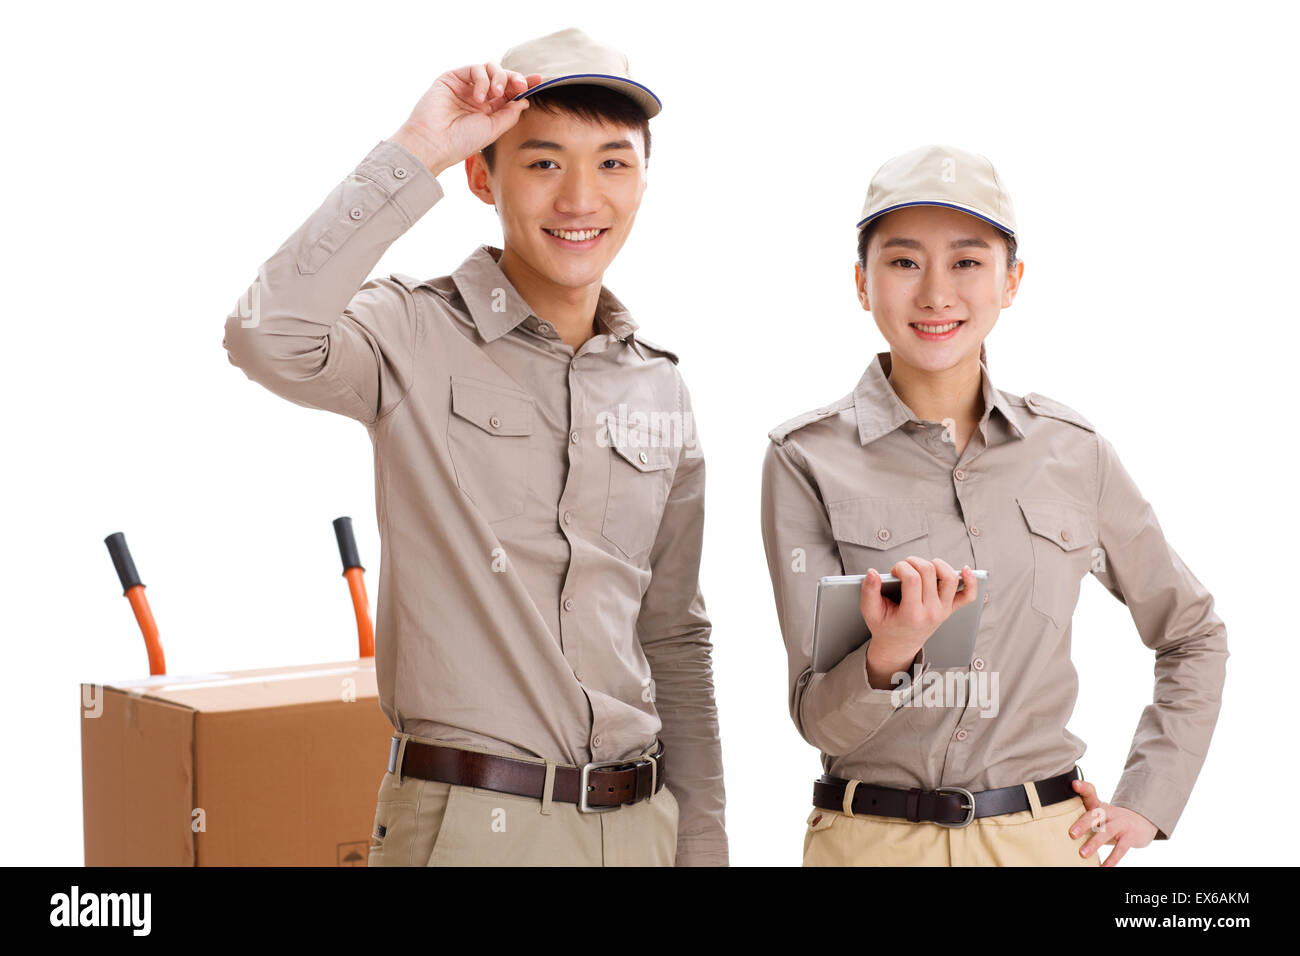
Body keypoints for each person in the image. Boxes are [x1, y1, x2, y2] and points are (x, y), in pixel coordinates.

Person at [222, 27, 727, 866]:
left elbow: (674, 636)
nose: (579, 199)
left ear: (643, 178)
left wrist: (701, 847)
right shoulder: (412, 330)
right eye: (542, 162)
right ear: (481, 175)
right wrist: (415, 148)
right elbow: (268, 336)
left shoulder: (659, 387)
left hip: (641, 828)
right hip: (472, 832)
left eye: (612, 162)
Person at [759, 144, 1227, 866]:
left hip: (1043, 841)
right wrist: (889, 655)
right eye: (904, 261)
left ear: (1011, 282)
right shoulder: (804, 458)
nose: (936, 293)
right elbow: (820, 723)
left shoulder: (1074, 453)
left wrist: (1148, 798)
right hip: (870, 845)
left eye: (968, 263)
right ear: (861, 282)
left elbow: (1192, 633)